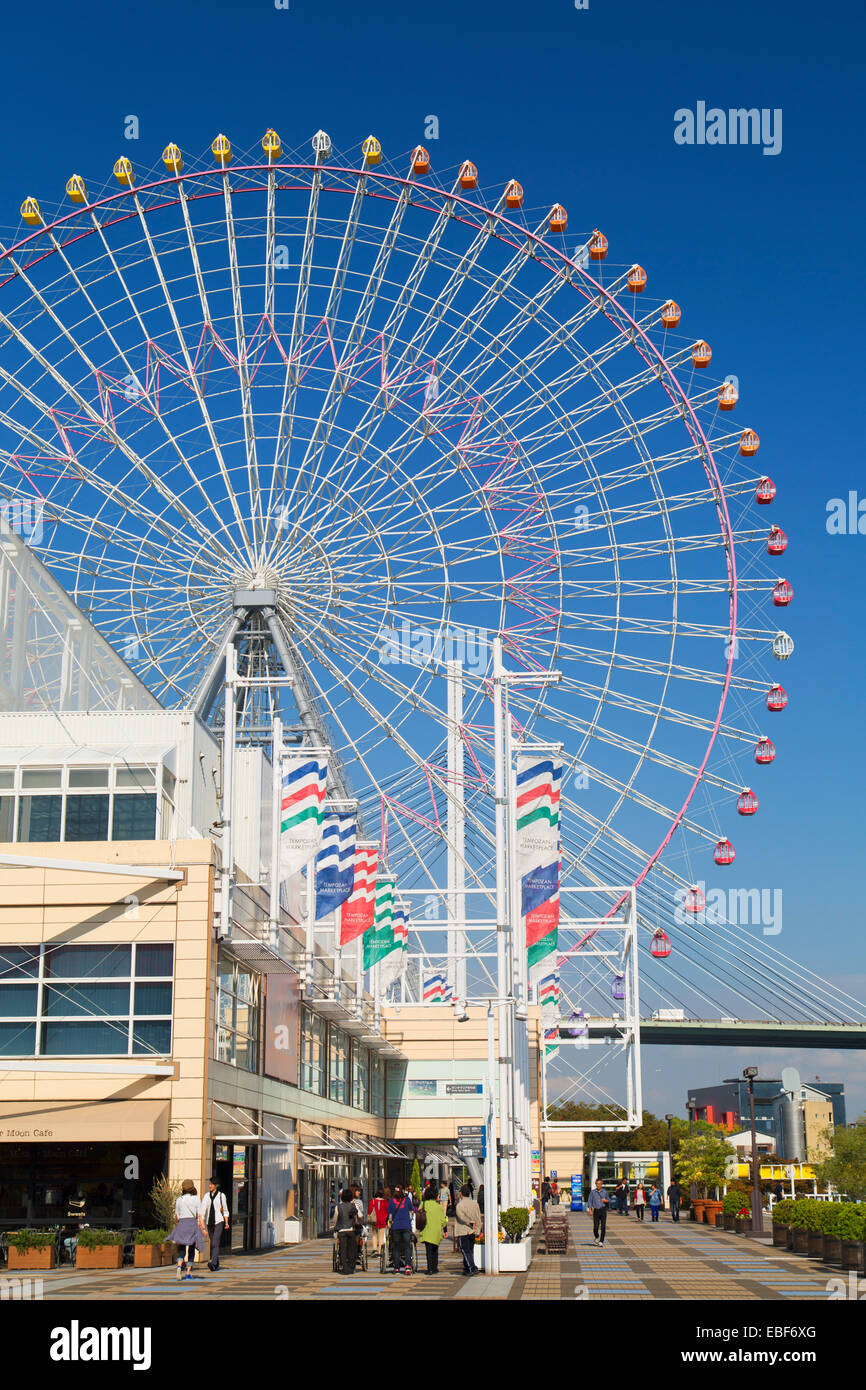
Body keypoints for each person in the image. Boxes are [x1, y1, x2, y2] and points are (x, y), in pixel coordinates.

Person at [169, 1178, 206, 1281]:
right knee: (191, 1250)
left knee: (181, 1249)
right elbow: (200, 1215)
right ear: (192, 1188)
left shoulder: (179, 1199)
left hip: (182, 1225)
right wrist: (203, 1228)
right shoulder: (196, 1199)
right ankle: (188, 1273)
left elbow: (176, 1216)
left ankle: (179, 1267)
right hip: (192, 1225)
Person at [200, 1176, 230, 1270]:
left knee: (215, 1243)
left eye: (211, 1184)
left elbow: (225, 1210)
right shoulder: (206, 1196)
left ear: (216, 1185)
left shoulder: (222, 1195)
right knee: (212, 1243)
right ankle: (216, 1262)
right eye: (209, 1184)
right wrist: (202, 1225)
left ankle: (212, 1263)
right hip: (210, 1223)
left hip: (219, 1221)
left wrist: (226, 1222)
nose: (209, 1186)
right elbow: (203, 1211)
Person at [419, 1179, 448, 1275]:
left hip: (426, 1230)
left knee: (429, 1250)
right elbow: (443, 1220)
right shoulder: (438, 1206)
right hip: (436, 1231)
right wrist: (445, 1230)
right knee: (435, 1250)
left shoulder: (423, 1204)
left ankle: (429, 1268)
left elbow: (418, 1214)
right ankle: (435, 1267)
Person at [455, 1183, 482, 1276]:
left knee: (465, 1250)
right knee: (470, 1250)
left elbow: (461, 1217)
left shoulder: (460, 1205)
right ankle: (466, 1268)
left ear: (461, 1194)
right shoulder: (475, 1204)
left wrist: (469, 1222)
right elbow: (478, 1217)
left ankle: (472, 1268)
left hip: (463, 1231)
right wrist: (478, 1229)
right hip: (473, 1231)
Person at [388, 1184, 416, 1274]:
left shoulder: (391, 1201)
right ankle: (407, 1266)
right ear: (402, 1191)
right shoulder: (407, 1200)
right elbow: (412, 1211)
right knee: (407, 1246)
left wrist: (389, 1223)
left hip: (395, 1226)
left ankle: (396, 1267)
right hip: (406, 1226)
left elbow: (390, 1215)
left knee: (396, 1247)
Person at [332, 1187, 360, 1275]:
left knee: (343, 1249)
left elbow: (335, 1218)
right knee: (352, 1249)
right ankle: (351, 1266)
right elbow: (358, 1216)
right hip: (351, 1230)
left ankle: (345, 1267)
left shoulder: (338, 1206)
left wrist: (334, 1226)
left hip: (341, 1230)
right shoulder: (353, 1206)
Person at [367, 1184, 388, 1254]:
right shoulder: (385, 1202)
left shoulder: (373, 1201)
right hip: (382, 1221)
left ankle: (374, 1249)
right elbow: (387, 1211)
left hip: (374, 1220)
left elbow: (369, 1211)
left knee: (374, 1235)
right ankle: (380, 1251)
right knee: (381, 1237)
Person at [588, 1178, 609, 1246]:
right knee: (595, 1227)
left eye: (600, 1184)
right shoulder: (593, 1192)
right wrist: (590, 1209)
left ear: (601, 1184)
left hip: (603, 1210)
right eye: (597, 1184)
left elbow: (609, 1200)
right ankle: (596, 1237)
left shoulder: (605, 1192)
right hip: (596, 1210)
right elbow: (590, 1201)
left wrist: (605, 1201)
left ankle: (601, 1241)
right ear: (595, 1184)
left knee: (603, 1227)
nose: (598, 1185)